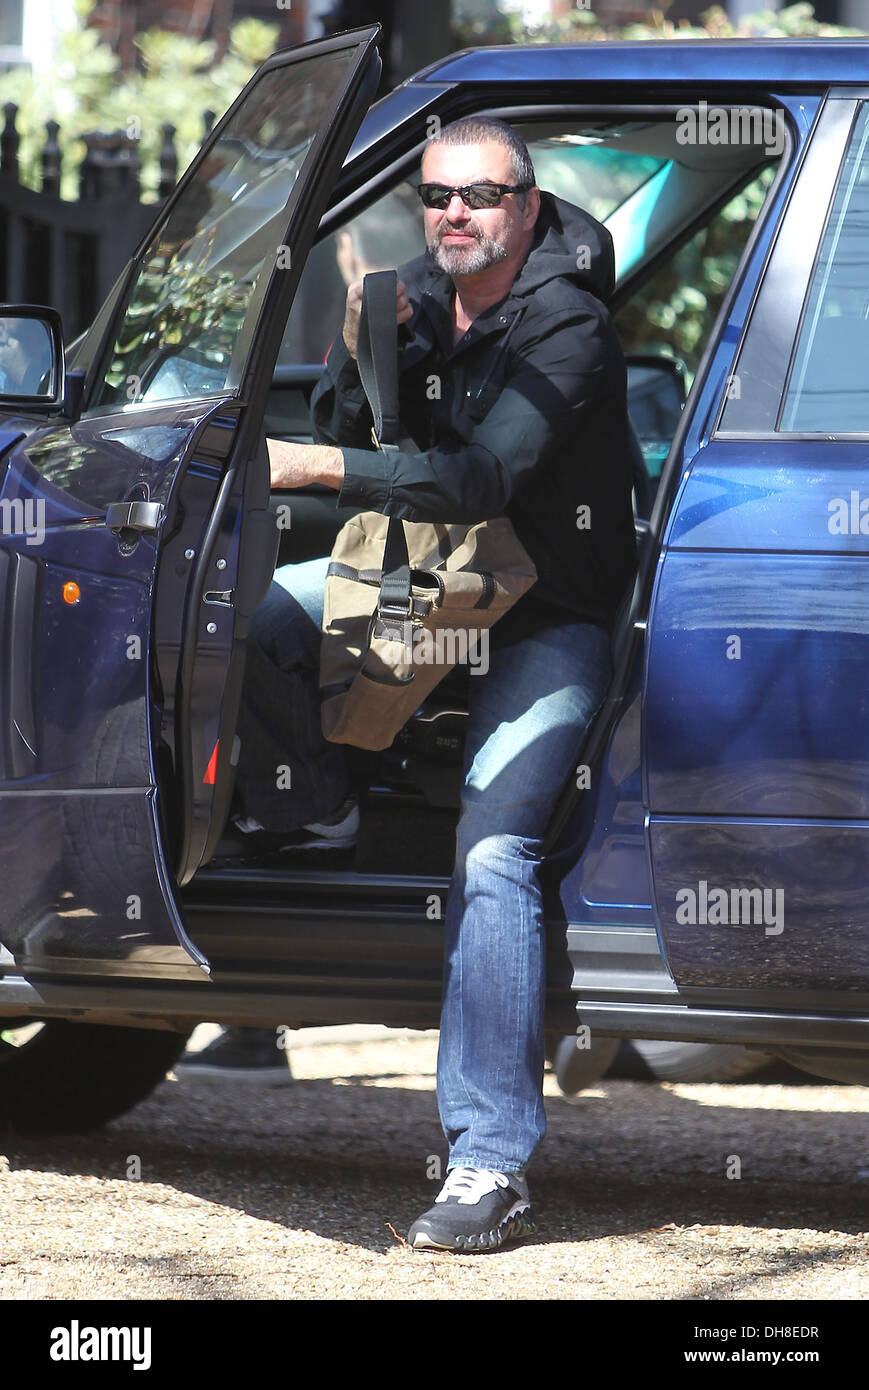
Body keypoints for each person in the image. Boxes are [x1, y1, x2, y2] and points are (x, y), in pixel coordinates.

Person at [222, 117, 637, 1251]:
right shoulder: (408, 292)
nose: (455, 214)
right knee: (260, 621)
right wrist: (365, 352)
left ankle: (487, 1160)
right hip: (430, 584)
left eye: (481, 196)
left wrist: (317, 465)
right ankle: (321, 814)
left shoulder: (568, 325)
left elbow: (479, 477)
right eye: (436, 195)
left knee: (494, 855)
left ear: (527, 208)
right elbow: (343, 424)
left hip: (542, 610)